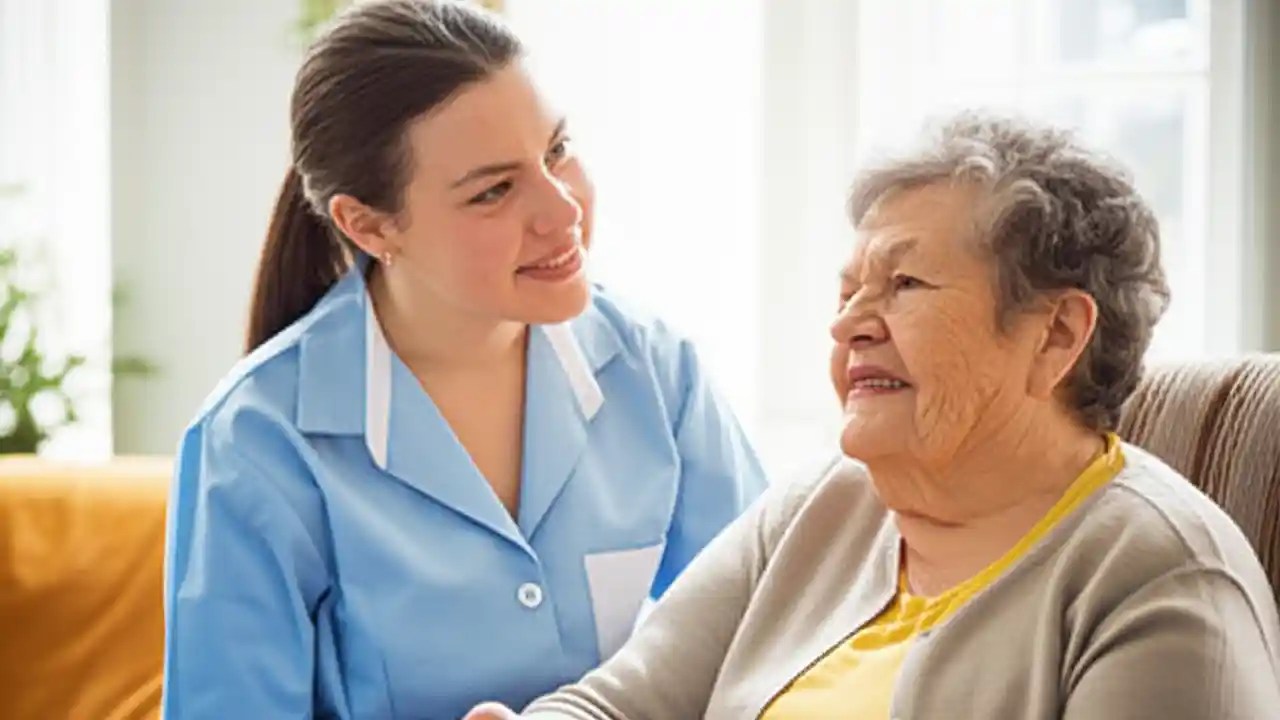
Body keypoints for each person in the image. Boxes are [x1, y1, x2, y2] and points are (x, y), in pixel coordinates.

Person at [468, 114, 1280, 719]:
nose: (849, 322)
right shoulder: (827, 501)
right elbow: (623, 705)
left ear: (1057, 334)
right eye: (848, 290)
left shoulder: (1162, 585)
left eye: (906, 286)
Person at [161, 2, 766, 717]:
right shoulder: (256, 442)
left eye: (558, 151)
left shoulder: (657, 372)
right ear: (369, 223)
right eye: (494, 190)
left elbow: (774, 634)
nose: (562, 210)